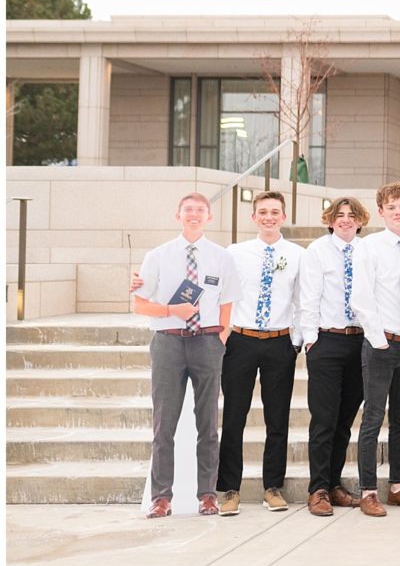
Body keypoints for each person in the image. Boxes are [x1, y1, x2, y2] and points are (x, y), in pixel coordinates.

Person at [132, 192, 240, 519]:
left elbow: (227, 303)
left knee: (207, 423)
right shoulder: (158, 256)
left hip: (207, 342)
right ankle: (161, 497)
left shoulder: (221, 257)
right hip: (168, 342)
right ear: (178, 215)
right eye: (188, 210)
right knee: (164, 422)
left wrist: (219, 338)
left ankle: (207, 494)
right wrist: (170, 310)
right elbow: (139, 304)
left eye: (200, 210)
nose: (194, 215)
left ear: (209, 217)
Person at [217, 190, 303, 514]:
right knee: (234, 417)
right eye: (263, 212)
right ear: (254, 217)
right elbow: (222, 294)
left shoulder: (296, 254)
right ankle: (229, 489)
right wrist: (224, 333)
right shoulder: (236, 252)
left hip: (280, 343)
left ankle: (273, 487)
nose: (269, 217)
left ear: (283, 216)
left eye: (275, 212)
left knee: (277, 418)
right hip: (240, 342)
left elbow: (301, 300)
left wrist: (295, 340)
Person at [350, 183, 400, 517]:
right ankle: (368, 490)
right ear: (381, 212)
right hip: (382, 343)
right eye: (391, 207)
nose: (398, 211)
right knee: (372, 419)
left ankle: (397, 486)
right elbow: (361, 295)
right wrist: (377, 338)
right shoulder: (368, 247)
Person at [298, 196, 370, 516]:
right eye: (339, 215)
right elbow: (309, 296)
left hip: (360, 343)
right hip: (327, 342)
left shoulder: (367, 250)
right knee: (324, 421)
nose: (345, 220)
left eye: (351, 215)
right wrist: (311, 339)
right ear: (330, 220)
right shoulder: (317, 251)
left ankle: (335, 483)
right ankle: (318, 489)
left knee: (344, 421)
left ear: (360, 220)